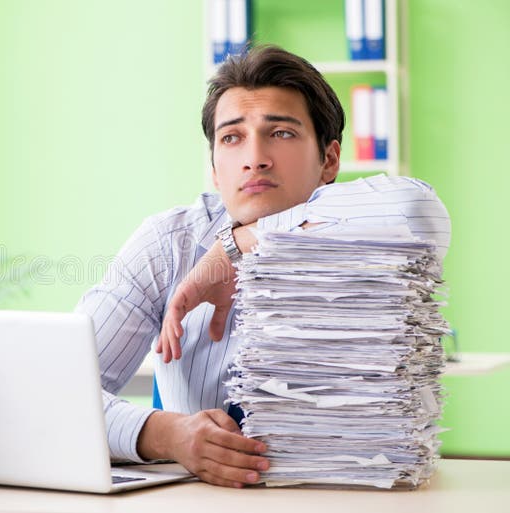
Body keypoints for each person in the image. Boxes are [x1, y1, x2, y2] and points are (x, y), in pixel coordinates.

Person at [73, 44, 450, 489]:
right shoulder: (168, 244)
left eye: (282, 133)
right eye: (232, 137)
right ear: (214, 168)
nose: (255, 157)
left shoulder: (370, 223)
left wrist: (236, 247)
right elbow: (60, 389)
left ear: (329, 160)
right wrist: (167, 435)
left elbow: (418, 209)